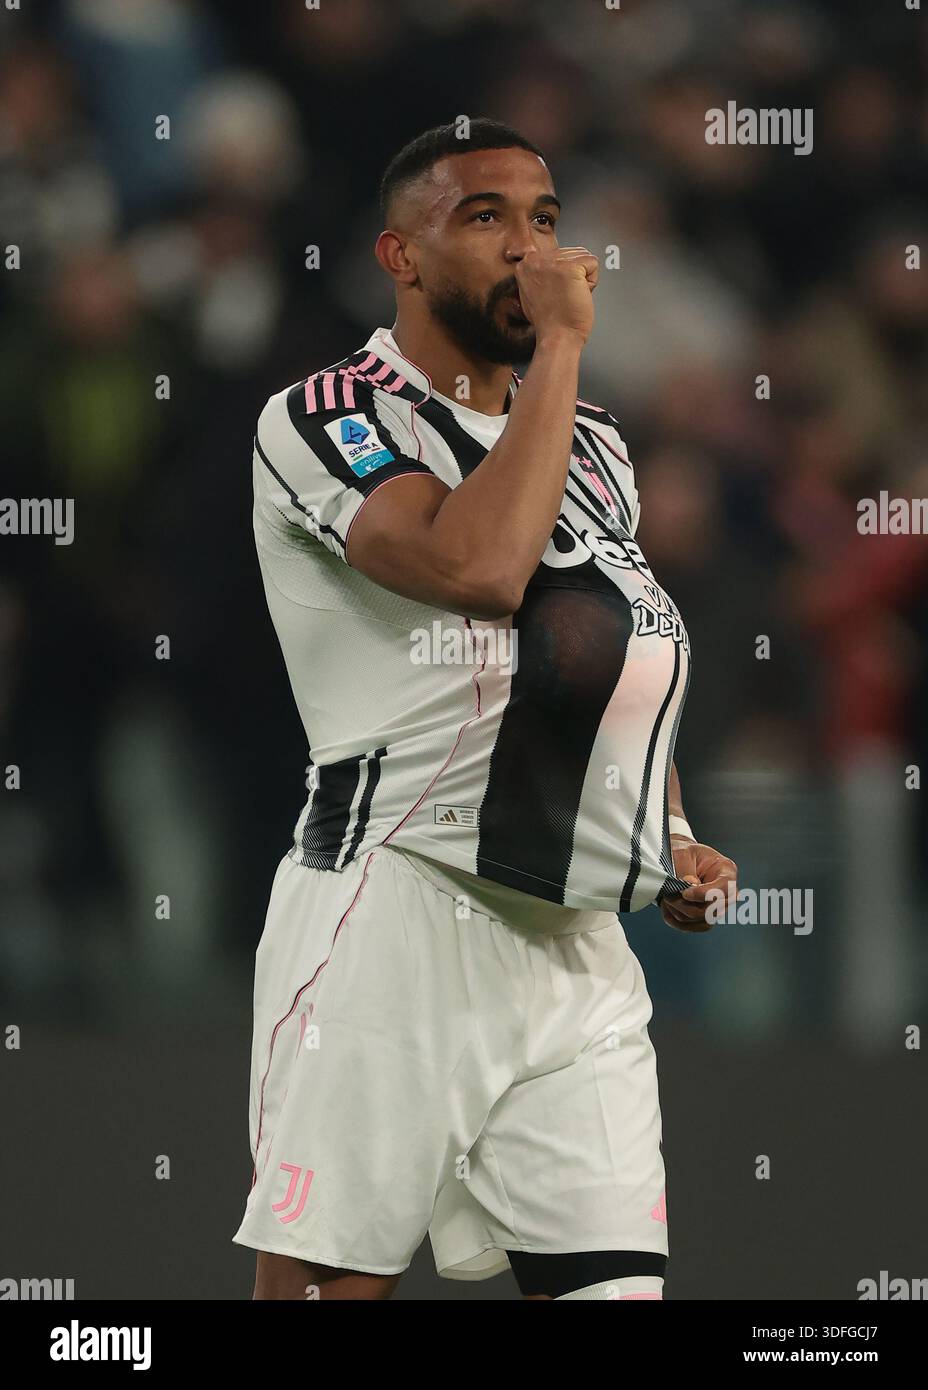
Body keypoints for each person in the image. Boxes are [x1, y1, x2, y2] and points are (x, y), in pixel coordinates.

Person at [231, 119, 737, 1301]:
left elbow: (601, 649)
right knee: (325, 1290)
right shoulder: (324, 414)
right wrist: (560, 350)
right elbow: (480, 571)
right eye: (486, 218)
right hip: (396, 908)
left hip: (572, 945)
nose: (529, 248)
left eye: (547, 219)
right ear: (399, 256)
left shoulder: (598, 444)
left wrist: (666, 834)